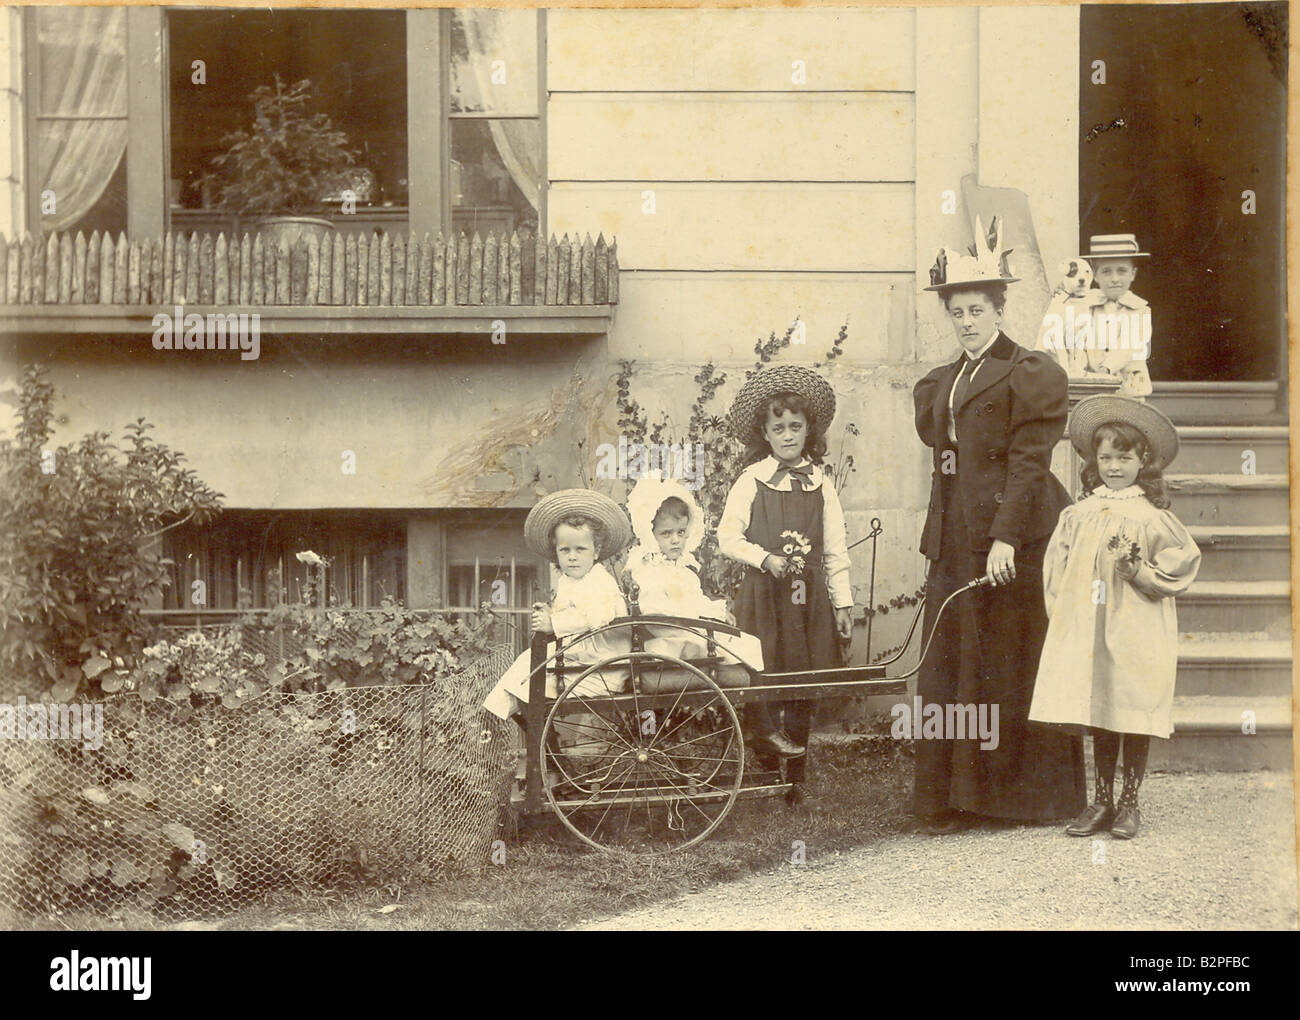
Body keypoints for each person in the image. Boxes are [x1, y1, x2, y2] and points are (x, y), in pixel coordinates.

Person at [913, 216, 1086, 834]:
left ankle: (1021, 798)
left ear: (999, 308)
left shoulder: (1028, 372)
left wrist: (1005, 539)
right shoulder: (947, 377)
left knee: (1009, 661)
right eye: (957, 310)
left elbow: (1029, 463)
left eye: (978, 309)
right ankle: (957, 797)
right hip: (958, 536)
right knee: (957, 661)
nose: (967, 320)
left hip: (1016, 535)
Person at [1029, 396, 1200, 839]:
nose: (1114, 467)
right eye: (1106, 457)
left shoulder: (1153, 517)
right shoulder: (1078, 515)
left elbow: (1181, 566)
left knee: (1131, 707)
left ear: (1143, 460)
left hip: (1136, 627)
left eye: (1124, 457)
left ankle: (1130, 801)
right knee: (1100, 705)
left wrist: (1139, 571)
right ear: (1093, 460)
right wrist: (1065, 620)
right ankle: (1101, 799)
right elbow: (1056, 573)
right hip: (1090, 626)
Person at [719, 364, 855, 803]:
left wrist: (843, 604)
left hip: (807, 601)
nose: (788, 435)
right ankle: (764, 757)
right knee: (762, 676)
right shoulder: (751, 480)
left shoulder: (821, 484)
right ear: (765, 431)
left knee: (803, 682)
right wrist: (764, 558)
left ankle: (795, 779)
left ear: (809, 430)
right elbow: (727, 538)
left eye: (796, 426)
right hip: (764, 598)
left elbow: (835, 549)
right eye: (778, 427)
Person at [482, 489, 632, 722]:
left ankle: (510, 720)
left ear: (597, 551)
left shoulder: (600, 581)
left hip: (603, 667)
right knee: (527, 664)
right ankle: (507, 716)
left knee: (530, 680)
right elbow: (571, 615)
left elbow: (597, 617)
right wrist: (553, 615)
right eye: (565, 550)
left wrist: (554, 623)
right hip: (581, 661)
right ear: (557, 553)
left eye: (580, 549)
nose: (572, 557)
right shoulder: (570, 582)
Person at [1080, 233, 1154, 398]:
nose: (1115, 279)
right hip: (1092, 390)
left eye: (1122, 271)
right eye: (1106, 271)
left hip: (1129, 391)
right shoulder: (1086, 305)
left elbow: (1127, 346)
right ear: (1094, 275)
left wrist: (1106, 368)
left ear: (1133, 274)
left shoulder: (1140, 310)